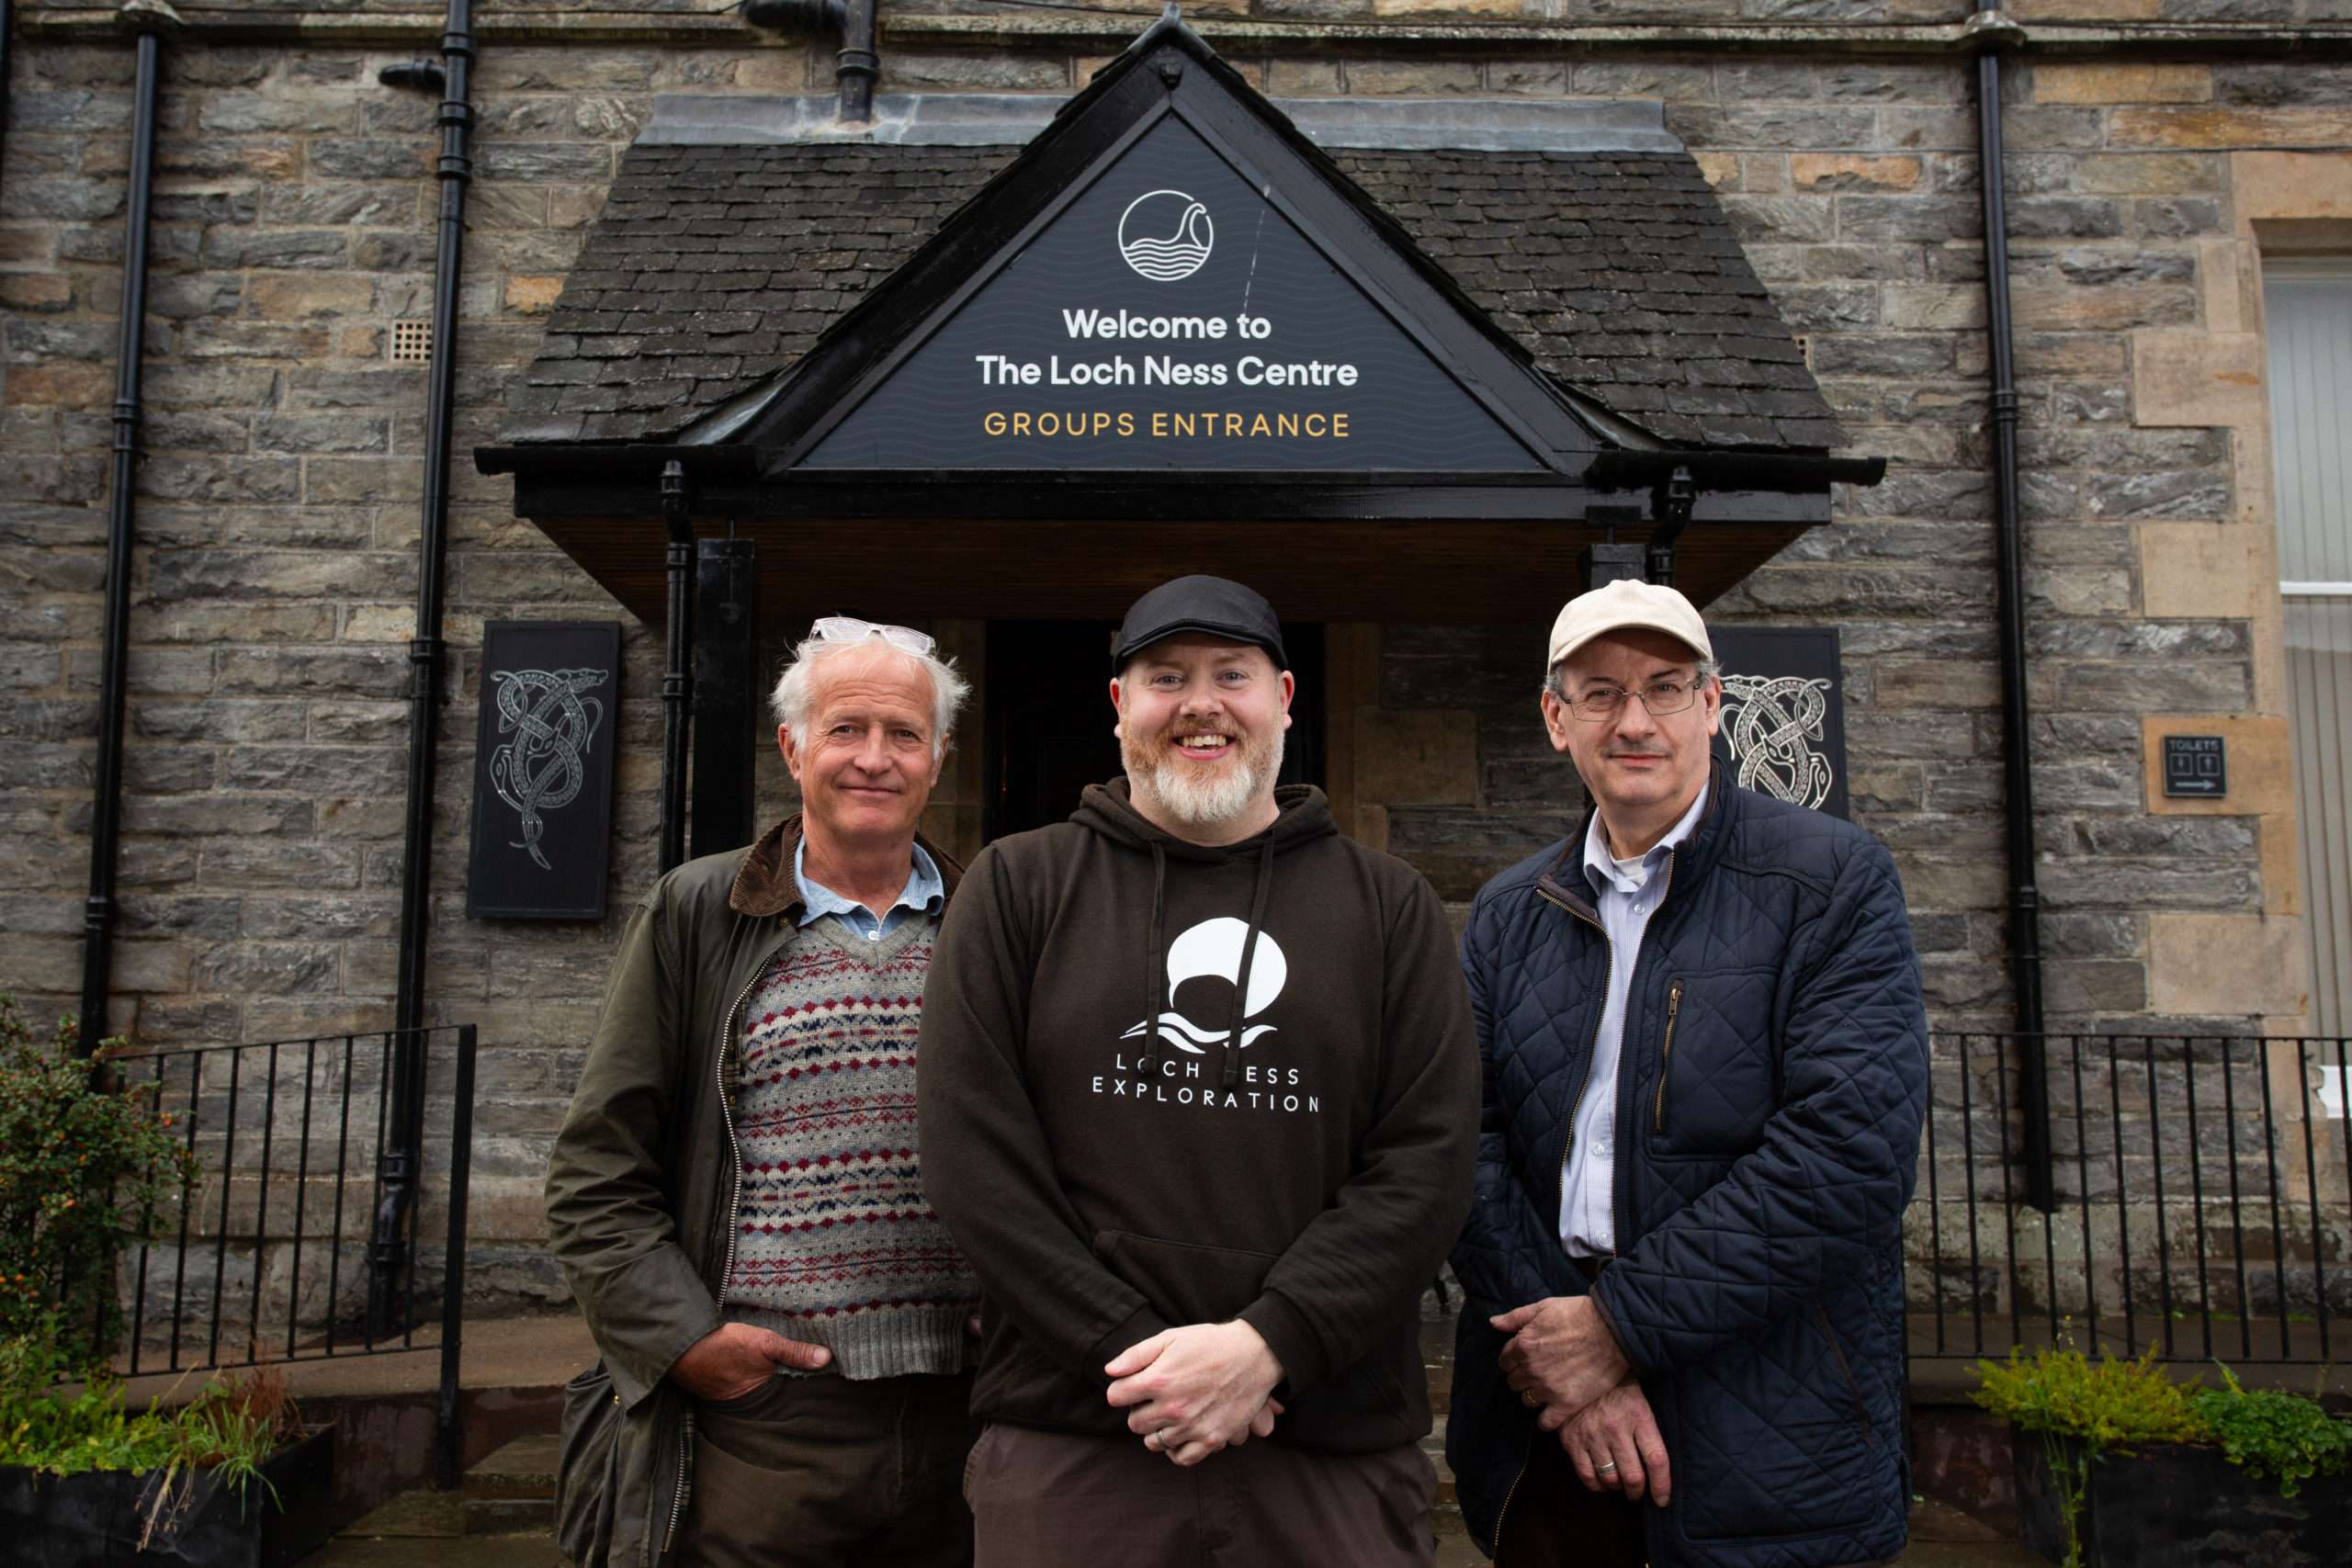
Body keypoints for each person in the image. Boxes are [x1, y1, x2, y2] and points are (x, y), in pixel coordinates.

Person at [917, 574, 1477, 1568]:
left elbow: (1424, 1164)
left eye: (1233, 674)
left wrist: (1270, 1345)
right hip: (1076, 1444)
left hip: (1326, 1451)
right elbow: (975, 1163)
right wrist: (1138, 1362)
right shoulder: (1017, 885)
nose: (1200, 703)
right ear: (1120, 704)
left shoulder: (1389, 906)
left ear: (1285, 698)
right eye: (1165, 676)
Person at [1446, 579, 1928, 1568]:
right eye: (1599, 693)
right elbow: (1460, 1144)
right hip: (1547, 1423)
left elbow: (1848, 1158)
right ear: (1554, 720)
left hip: (1769, 1420)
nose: (1634, 721)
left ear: (1713, 706)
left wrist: (1619, 1328)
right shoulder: (1506, 912)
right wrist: (1564, 1361)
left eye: (1665, 689)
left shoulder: (1830, 882)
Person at [545, 617, 983, 1568]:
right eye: (845, 730)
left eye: (904, 734)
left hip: (971, 1414)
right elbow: (594, 1172)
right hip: (768, 1430)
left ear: (938, 759)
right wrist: (691, 1345)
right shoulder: (697, 913)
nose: (875, 758)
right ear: (792, 748)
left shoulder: (998, 921)